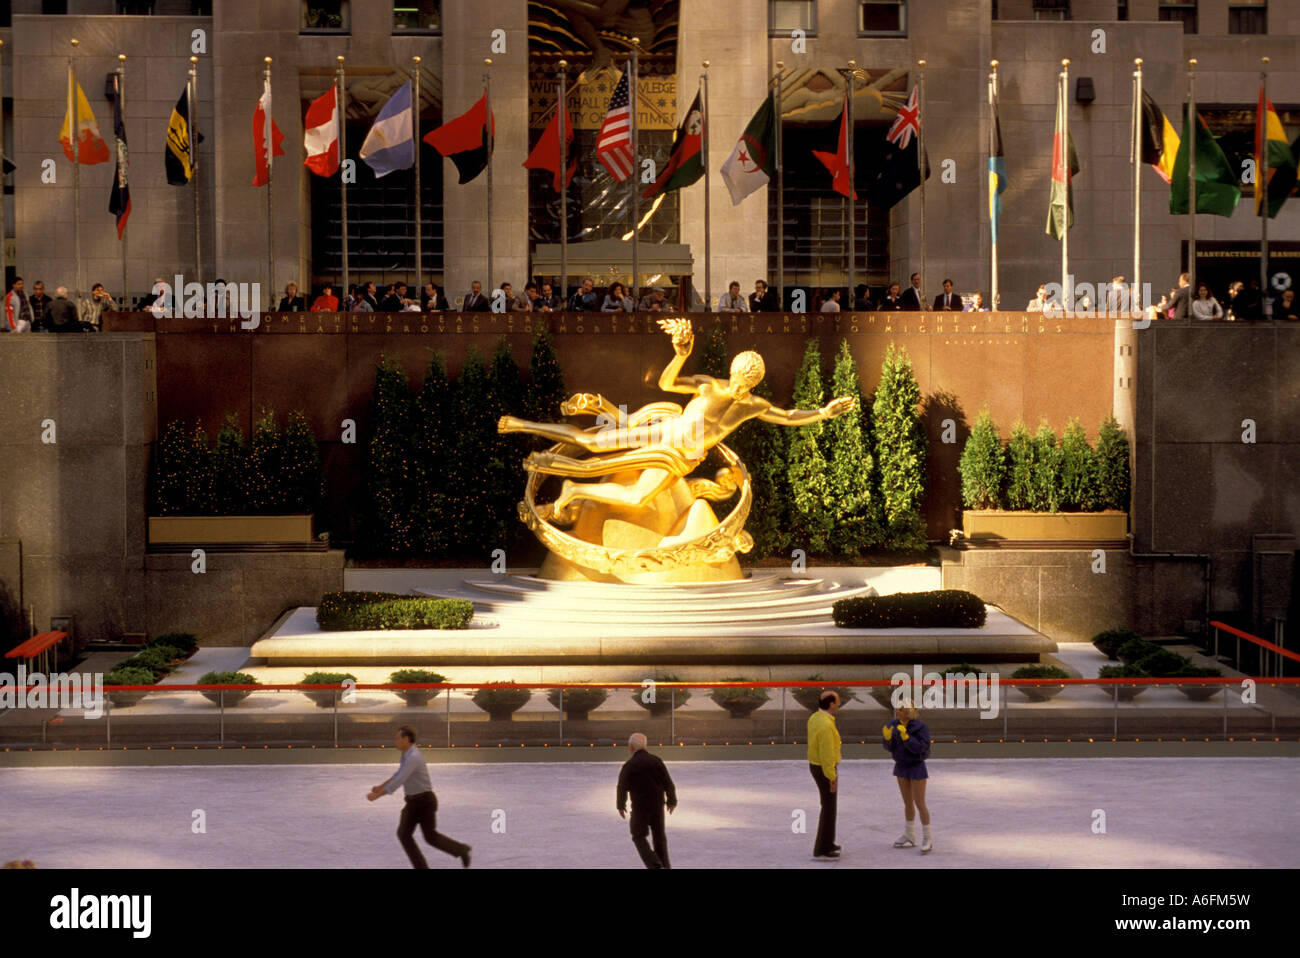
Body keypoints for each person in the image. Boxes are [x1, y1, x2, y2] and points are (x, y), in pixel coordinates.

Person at [368, 725, 471, 869]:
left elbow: (399, 780)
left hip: (424, 802)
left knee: (430, 837)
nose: (395, 741)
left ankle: (461, 850)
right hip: (413, 802)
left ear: (406, 739)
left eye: (398, 738)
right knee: (404, 834)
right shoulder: (406, 755)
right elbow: (397, 775)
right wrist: (380, 787)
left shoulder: (413, 757)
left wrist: (377, 795)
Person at [616, 732, 677, 869]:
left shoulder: (629, 765)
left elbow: (621, 787)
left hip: (640, 807)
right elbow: (668, 782)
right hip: (657, 806)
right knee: (659, 838)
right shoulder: (656, 761)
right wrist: (672, 801)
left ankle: (654, 865)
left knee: (638, 836)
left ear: (631, 747)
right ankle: (665, 866)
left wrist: (620, 805)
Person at [883, 697, 932, 854]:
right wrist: (888, 740)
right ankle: (909, 834)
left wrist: (907, 739)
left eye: (901, 710)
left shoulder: (920, 727)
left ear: (908, 712)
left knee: (919, 802)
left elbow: (922, 749)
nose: (898, 712)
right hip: (901, 766)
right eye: (898, 709)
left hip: (916, 767)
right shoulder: (893, 725)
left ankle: (927, 837)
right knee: (907, 803)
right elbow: (890, 748)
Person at [807, 690, 842, 860]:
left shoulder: (815, 718)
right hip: (824, 768)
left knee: (829, 806)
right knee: (829, 807)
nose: (839, 703)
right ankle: (822, 848)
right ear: (831, 704)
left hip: (816, 765)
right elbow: (827, 754)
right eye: (837, 701)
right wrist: (832, 777)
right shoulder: (826, 725)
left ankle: (828, 842)